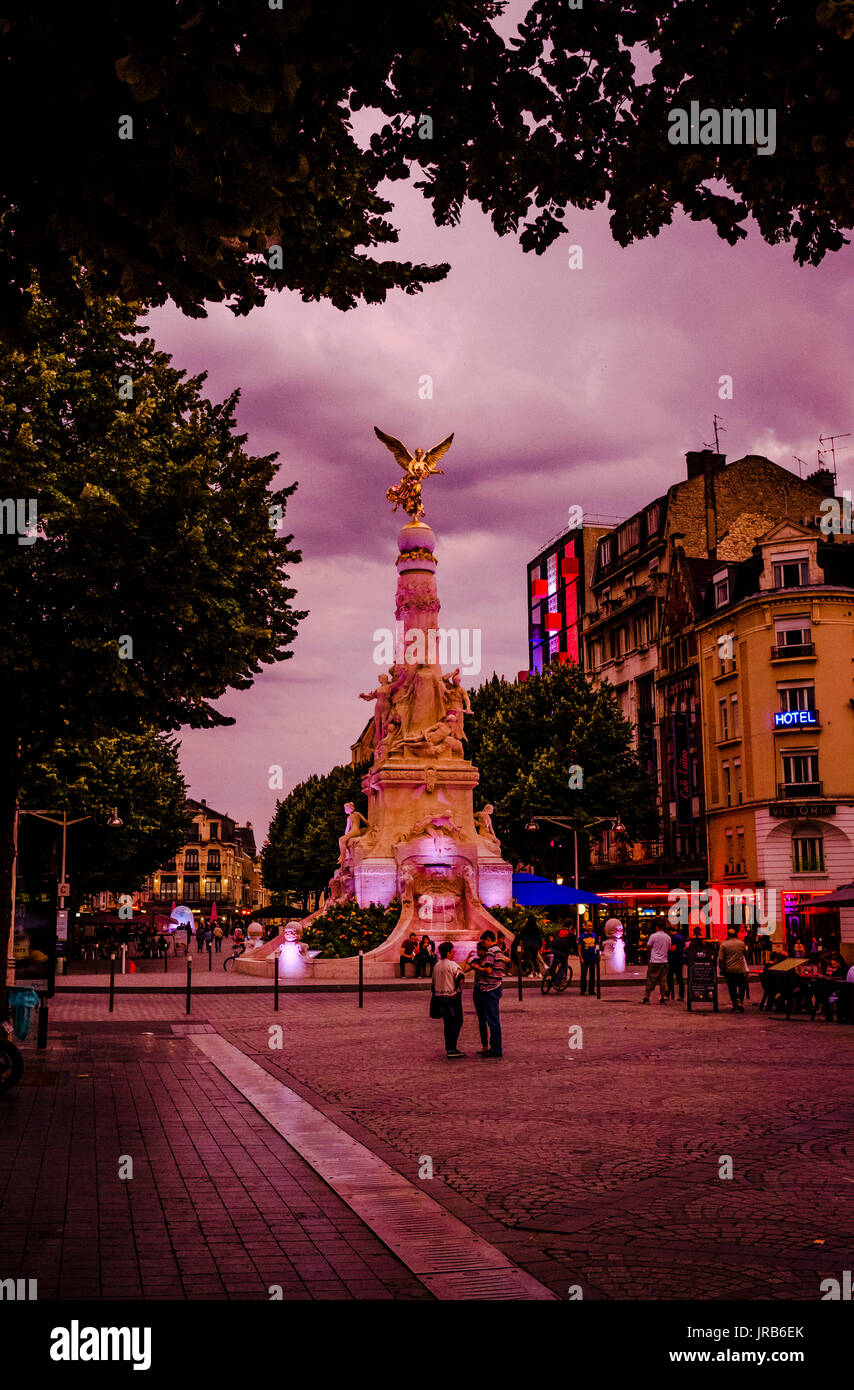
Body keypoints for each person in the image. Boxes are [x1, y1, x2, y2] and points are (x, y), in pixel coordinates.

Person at [464, 929, 508, 1057]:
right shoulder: (499, 951)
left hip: (490, 989)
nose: (484, 944)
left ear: (488, 939)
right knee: (494, 1019)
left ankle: (496, 1049)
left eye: (484, 941)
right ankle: (495, 1047)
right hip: (496, 986)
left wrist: (478, 968)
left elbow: (488, 970)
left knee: (492, 1020)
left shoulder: (491, 951)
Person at [432, 942, 465, 1058]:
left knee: (447, 1023)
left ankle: (449, 1047)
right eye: (453, 950)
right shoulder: (452, 965)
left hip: (440, 998)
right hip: (452, 998)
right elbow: (460, 978)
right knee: (457, 1021)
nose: (454, 952)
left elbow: (433, 983)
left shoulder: (437, 965)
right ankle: (452, 1048)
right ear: (449, 952)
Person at [718, 925, 749, 1012]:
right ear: (736, 935)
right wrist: (747, 968)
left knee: (732, 988)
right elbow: (746, 956)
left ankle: (735, 1005)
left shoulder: (723, 944)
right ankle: (739, 999)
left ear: (727, 935)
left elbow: (721, 958)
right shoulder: (741, 944)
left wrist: (722, 969)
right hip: (740, 969)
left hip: (729, 970)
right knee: (742, 986)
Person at [641, 923, 673, 1004]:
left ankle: (646, 998)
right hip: (664, 961)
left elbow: (648, 946)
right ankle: (662, 998)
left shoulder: (653, 936)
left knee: (650, 979)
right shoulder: (668, 937)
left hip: (654, 961)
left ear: (657, 927)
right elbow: (669, 948)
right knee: (663, 980)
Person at [577, 920, 600, 997]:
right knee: (583, 975)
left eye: (591, 926)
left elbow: (597, 945)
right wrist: (580, 958)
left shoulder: (594, 935)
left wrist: (598, 954)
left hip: (592, 958)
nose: (590, 927)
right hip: (584, 958)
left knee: (592, 975)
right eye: (588, 926)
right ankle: (583, 990)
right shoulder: (581, 936)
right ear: (585, 927)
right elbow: (579, 948)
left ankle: (591, 990)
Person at [667, 925, 686, 1002]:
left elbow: (673, 948)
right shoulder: (681, 937)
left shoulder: (674, 938)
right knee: (679, 978)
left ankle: (669, 994)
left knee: (669, 978)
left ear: (670, 931)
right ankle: (681, 995)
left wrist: (667, 949)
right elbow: (684, 948)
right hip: (680, 959)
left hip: (673, 960)